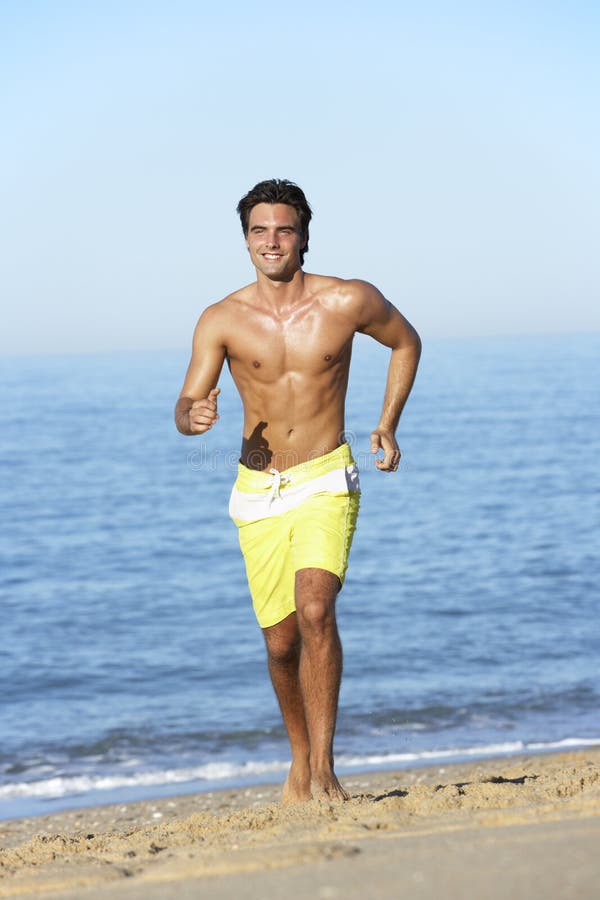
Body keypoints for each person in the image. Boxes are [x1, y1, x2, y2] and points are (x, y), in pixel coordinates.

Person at [175, 179, 421, 804]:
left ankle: (325, 768)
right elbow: (184, 402)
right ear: (246, 241)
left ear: (305, 235)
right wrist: (192, 416)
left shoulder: (346, 300)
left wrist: (387, 422)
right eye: (259, 231)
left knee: (316, 609)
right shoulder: (222, 319)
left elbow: (405, 341)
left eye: (283, 229)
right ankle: (299, 756)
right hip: (258, 488)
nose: (272, 241)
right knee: (281, 640)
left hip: (324, 476)